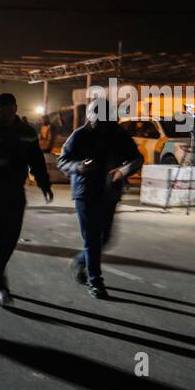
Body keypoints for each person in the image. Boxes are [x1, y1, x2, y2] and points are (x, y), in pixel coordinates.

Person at [0, 92, 54, 307]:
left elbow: (37, 161)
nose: (4, 116)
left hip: (14, 194)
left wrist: (44, 184)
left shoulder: (26, 133)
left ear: (15, 109)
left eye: (9, 112)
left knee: (10, 240)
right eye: (0, 112)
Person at [57, 99, 143, 299]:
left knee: (105, 238)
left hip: (109, 193)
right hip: (85, 193)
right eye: (94, 119)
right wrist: (79, 167)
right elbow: (63, 161)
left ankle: (81, 261)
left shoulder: (118, 135)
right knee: (93, 238)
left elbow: (136, 158)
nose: (97, 124)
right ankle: (96, 281)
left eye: (101, 120)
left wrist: (122, 172)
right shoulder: (79, 136)